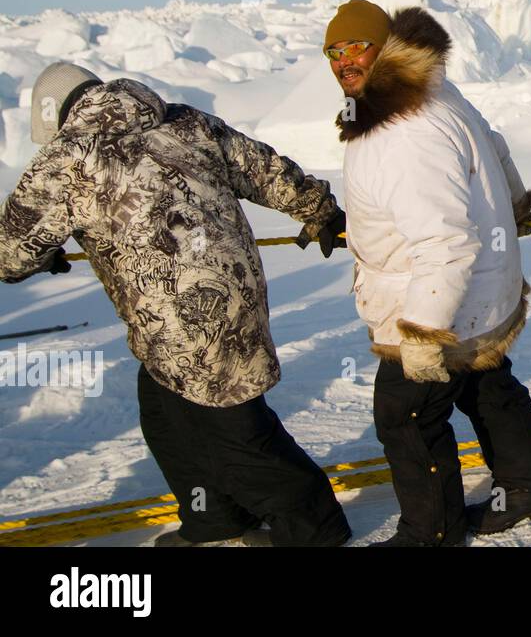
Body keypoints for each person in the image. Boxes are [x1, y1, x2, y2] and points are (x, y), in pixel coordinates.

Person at [0, 63, 352, 546]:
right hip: (231, 296)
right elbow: (261, 168)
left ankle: (317, 530)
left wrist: (42, 254)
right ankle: (216, 517)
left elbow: (10, 252)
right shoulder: (185, 120)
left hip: (181, 319)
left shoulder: (67, 159)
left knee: (237, 433)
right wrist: (318, 208)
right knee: (167, 414)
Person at [326, 0, 531, 546]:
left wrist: (423, 335)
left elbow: (443, 242)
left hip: (436, 296)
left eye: (357, 46)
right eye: (334, 51)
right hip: (483, 285)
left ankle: (432, 533)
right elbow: (492, 146)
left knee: (406, 416)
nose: (344, 61)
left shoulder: (400, 131)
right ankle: (526, 487)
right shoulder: (431, 90)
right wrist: (515, 204)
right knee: (486, 383)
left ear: (386, 48)